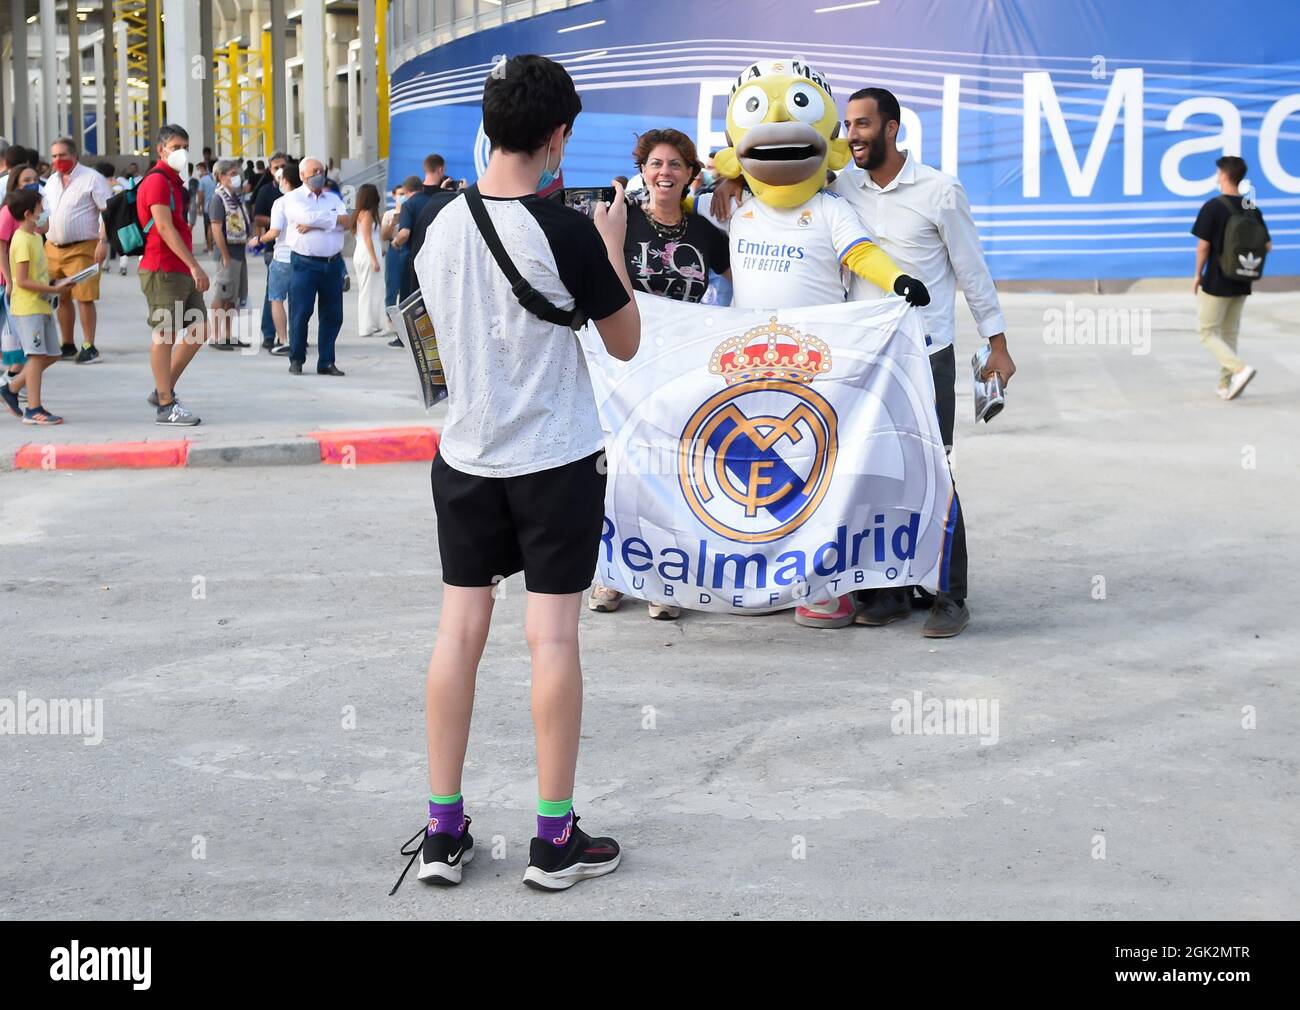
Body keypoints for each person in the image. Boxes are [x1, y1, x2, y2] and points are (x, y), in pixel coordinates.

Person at [391, 53, 639, 895]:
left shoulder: (438, 222)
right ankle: (553, 838)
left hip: (464, 458)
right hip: (555, 461)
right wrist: (611, 248)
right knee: (553, 639)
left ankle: (443, 829)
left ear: (489, 125)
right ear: (557, 136)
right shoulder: (565, 228)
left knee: (458, 632)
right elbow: (625, 341)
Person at [825, 86, 1014, 638]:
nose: (851, 136)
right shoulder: (839, 190)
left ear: (892, 127)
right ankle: (886, 592)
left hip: (927, 359)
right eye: (847, 126)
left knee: (934, 475)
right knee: (870, 476)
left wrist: (996, 343)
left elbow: (973, 272)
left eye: (862, 125)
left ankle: (950, 596)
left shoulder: (940, 191)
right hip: (864, 361)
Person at [589, 127, 731, 622]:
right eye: (656, 163)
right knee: (616, 468)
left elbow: (742, 286)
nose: (665, 172)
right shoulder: (620, 222)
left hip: (679, 370)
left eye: (675, 164)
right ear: (642, 171)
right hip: (623, 364)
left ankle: (662, 579)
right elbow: (599, 281)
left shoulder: (706, 235)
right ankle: (610, 573)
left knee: (667, 471)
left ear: (692, 174)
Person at [137, 124, 209, 426]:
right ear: (161, 150)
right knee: (165, 333)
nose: (182, 152)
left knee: (200, 328)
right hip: (163, 268)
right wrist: (194, 265)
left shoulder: (174, 182)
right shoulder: (156, 181)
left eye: (185, 146)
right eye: (176, 146)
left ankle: (162, 388)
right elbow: (164, 228)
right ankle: (166, 405)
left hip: (179, 268)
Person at [1192, 155, 1270, 401]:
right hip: (1242, 278)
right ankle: (1225, 385)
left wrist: (1197, 274)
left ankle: (1239, 370)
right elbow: (1267, 245)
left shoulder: (1213, 206)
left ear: (1224, 175)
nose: (1217, 176)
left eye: (1217, 172)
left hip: (1217, 279)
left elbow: (1203, 246)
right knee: (1230, 334)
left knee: (1206, 331)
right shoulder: (1250, 206)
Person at [0, 188, 72, 424]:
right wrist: (54, 290)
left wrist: (54, 284)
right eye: (42, 208)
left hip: (41, 306)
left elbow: (35, 275)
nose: (45, 212)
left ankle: (11, 389)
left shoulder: (35, 237)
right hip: (28, 307)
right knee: (37, 356)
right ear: (29, 213)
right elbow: (22, 280)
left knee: (52, 354)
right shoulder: (21, 240)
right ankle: (33, 408)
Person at [41, 137, 112, 363]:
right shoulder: (51, 181)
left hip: (83, 248)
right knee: (61, 297)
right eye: (54, 156)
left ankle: (88, 345)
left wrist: (103, 241)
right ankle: (68, 343)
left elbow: (107, 212)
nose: (57, 160)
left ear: (74, 155)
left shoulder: (92, 179)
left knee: (84, 298)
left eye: (62, 155)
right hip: (53, 248)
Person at [281, 157, 349, 375]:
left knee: (332, 314)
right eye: (314, 171)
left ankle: (326, 362)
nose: (319, 174)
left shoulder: (333, 198)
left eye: (321, 170)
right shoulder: (293, 198)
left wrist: (312, 224)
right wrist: (330, 221)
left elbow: (346, 222)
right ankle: (297, 358)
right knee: (301, 312)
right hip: (305, 263)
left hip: (333, 264)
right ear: (302, 175)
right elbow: (303, 216)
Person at [0, 164, 46, 390]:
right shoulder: (10, 211)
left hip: (28, 282)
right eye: (26, 179)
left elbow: (41, 231)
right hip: (13, 283)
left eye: (35, 178)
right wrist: (9, 281)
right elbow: (1, 248)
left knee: (27, 346)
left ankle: (13, 386)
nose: (32, 182)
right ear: (16, 183)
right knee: (17, 344)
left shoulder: (33, 210)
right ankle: (9, 386)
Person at [253, 161, 301, 355]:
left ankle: (283, 339)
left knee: (276, 299)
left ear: (286, 180)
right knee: (299, 302)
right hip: (304, 256)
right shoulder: (308, 199)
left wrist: (258, 240)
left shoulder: (281, 203)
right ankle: (299, 338)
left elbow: (274, 231)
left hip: (282, 256)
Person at [206, 159, 252, 349]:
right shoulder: (218, 199)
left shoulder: (235, 197)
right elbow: (216, 229)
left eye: (236, 173)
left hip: (239, 252)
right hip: (228, 254)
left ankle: (228, 334)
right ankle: (216, 336)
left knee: (233, 296)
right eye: (232, 174)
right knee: (222, 295)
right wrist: (225, 255)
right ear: (221, 176)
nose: (236, 177)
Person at [350, 183, 386, 336]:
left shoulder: (360, 213)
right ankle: (367, 326)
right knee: (369, 290)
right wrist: (374, 259)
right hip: (367, 253)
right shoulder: (367, 215)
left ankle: (372, 323)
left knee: (370, 289)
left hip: (364, 252)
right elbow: (368, 238)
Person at [382, 176, 419, 316]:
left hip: (409, 248)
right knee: (392, 285)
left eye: (405, 194)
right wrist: (393, 222)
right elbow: (384, 236)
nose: (403, 197)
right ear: (394, 196)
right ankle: (390, 316)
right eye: (400, 194)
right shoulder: (389, 214)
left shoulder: (412, 210)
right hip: (395, 250)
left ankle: (406, 315)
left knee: (407, 285)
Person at [197, 160, 217, 253]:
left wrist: (199, 207)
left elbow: (201, 195)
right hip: (217, 205)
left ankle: (209, 248)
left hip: (207, 206)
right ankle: (216, 246)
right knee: (217, 226)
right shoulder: (216, 178)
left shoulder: (203, 180)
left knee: (209, 227)